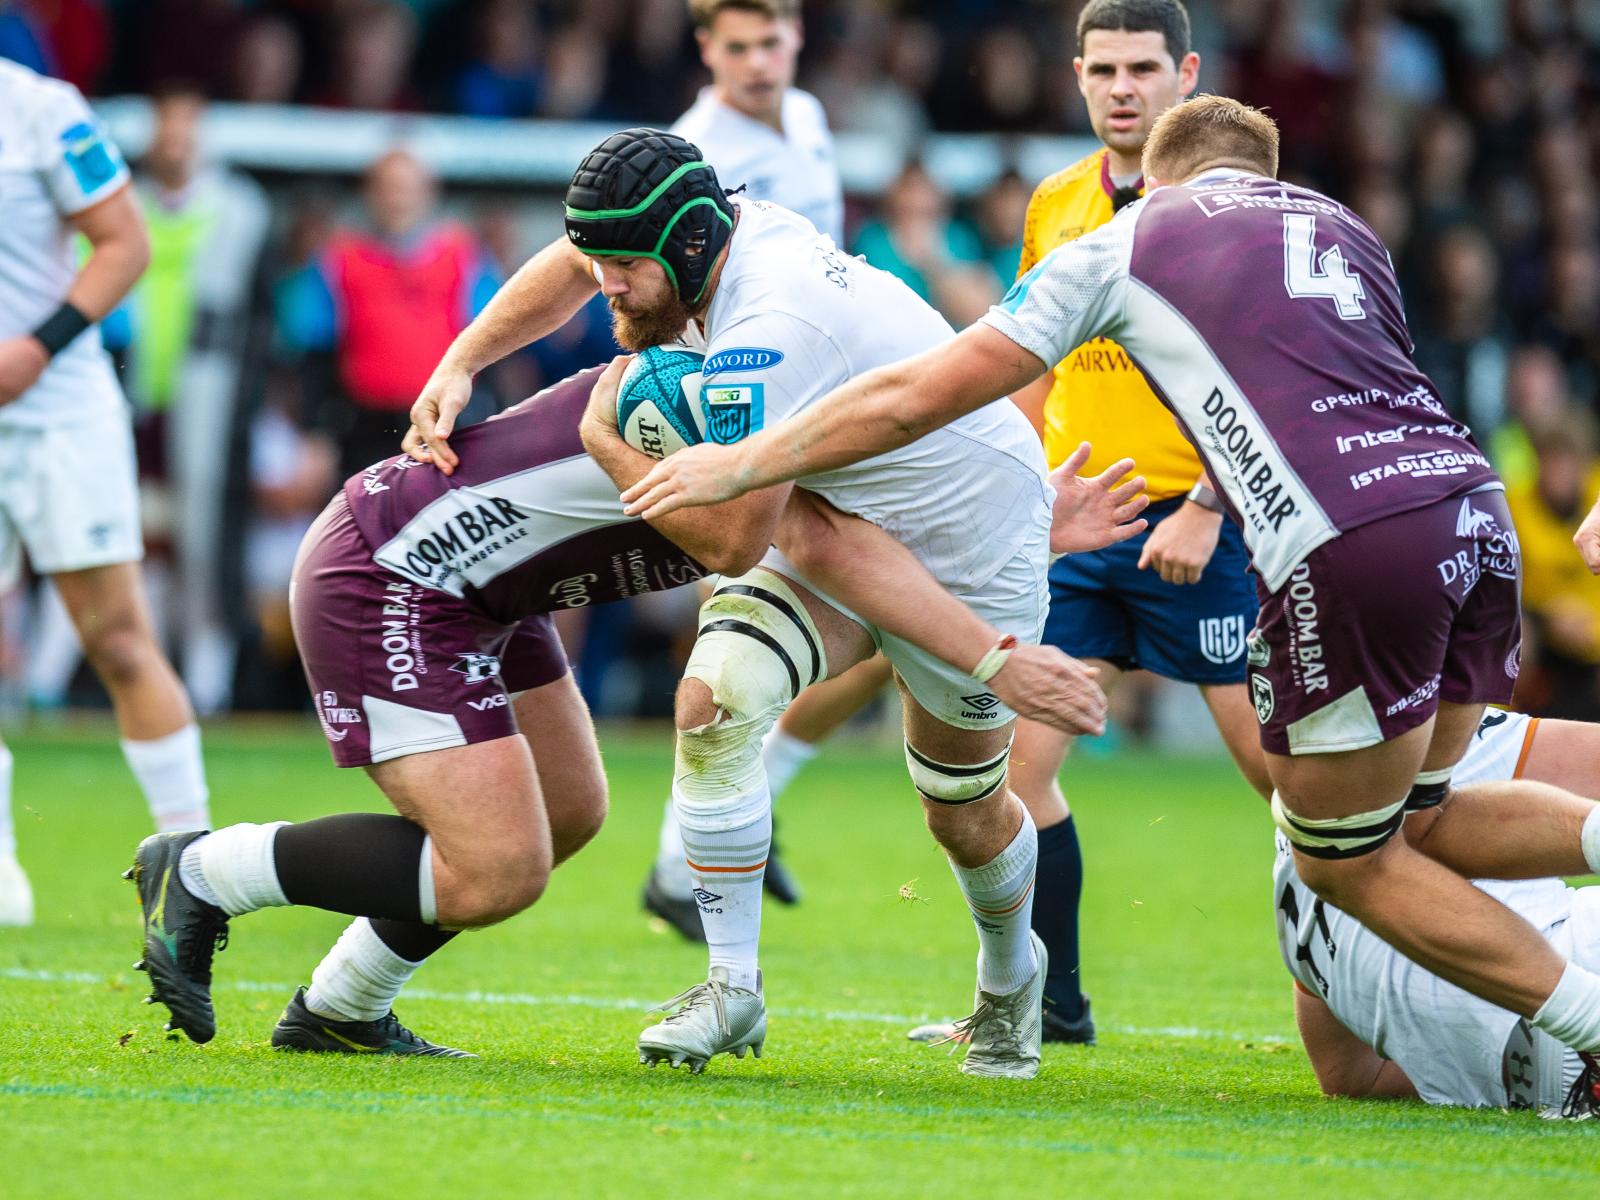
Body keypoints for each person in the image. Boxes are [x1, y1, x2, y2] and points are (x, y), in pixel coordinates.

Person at [620, 96, 1600, 1080]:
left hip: (1348, 544)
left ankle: (1593, 1033)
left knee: (1343, 860)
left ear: (1152, 177)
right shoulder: (1345, 230)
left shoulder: (1131, 235)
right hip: (1471, 513)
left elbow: (922, 393)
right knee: (1425, 814)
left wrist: (742, 464)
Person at [128, 361, 1141, 1053]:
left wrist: (1030, 528)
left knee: (569, 810)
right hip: (397, 576)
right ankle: (206, 869)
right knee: (497, 868)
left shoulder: (811, 406)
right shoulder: (757, 405)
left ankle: (343, 1006)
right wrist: (996, 648)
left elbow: (871, 552)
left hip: (491, 590)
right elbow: (818, 555)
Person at [409, 129, 1125, 1078]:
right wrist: (464, 357)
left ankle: (1009, 983)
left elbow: (734, 538)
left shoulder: (766, 333)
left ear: (693, 246)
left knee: (961, 808)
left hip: (969, 545)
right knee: (713, 700)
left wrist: (606, 439)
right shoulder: (702, 238)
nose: (608, 286)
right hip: (837, 513)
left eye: (626, 269)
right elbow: (579, 263)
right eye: (605, 262)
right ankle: (732, 987)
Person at [642, 0, 851, 932]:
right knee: (745, 625)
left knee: (849, 625)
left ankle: (718, 830)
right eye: (738, 47)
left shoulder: (805, 116)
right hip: (741, 402)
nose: (759, 62)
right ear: (705, 51)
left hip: (822, 388)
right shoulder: (695, 149)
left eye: (772, 42)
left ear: (796, 37)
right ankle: (684, 860)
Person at [0, 59, 211, 926]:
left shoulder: (40, 109)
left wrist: (35, 348)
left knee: (119, 639)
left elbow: (125, 242)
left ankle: (198, 864)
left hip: (59, 407)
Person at [1277, 708, 1600, 1116]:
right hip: (1576, 966)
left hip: (1536, 1084)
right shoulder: (1444, 727)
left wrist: (1471, 1056)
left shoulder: (1293, 912)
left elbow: (1353, 1078)